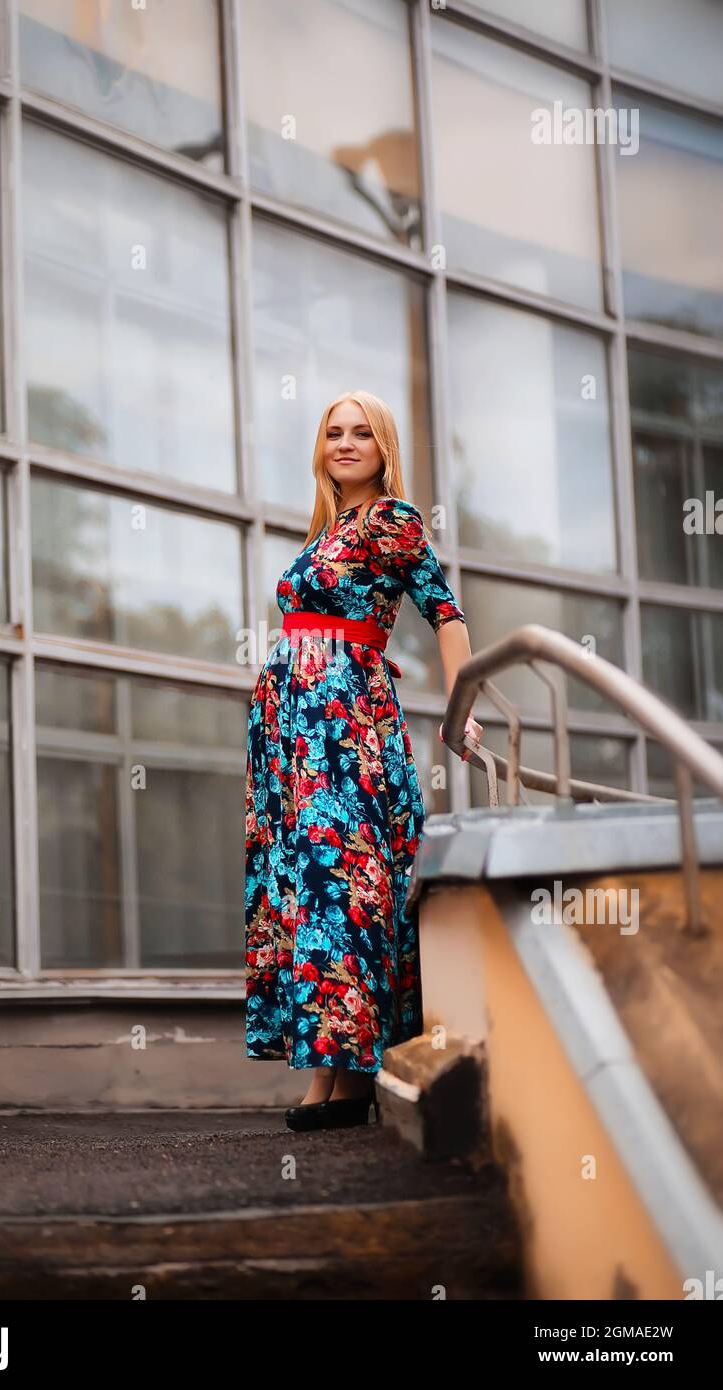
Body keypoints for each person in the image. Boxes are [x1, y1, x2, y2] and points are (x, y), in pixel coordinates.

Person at [244, 390, 482, 1131]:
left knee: (338, 884)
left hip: (342, 728)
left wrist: (460, 710)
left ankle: (342, 1084)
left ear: (384, 447)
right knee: (304, 885)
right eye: (333, 433)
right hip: (294, 728)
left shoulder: (391, 520)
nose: (345, 444)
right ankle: (333, 1077)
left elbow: (444, 612)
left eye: (361, 434)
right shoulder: (329, 530)